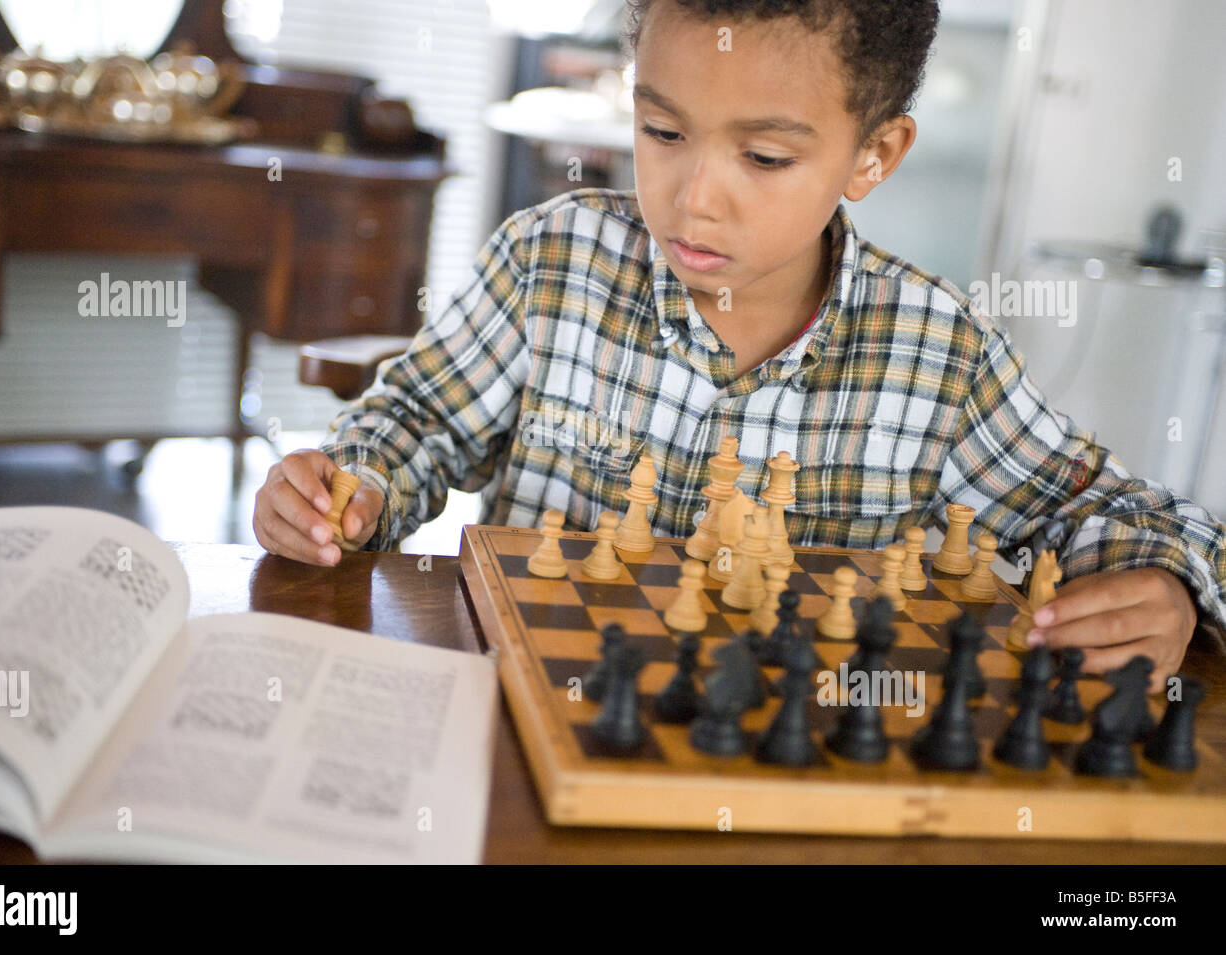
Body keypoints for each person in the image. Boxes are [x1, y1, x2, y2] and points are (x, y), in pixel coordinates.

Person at [252, 0, 1225, 689]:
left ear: (874, 155)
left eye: (762, 157)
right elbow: (415, 418)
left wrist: (1160, 581)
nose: (694, 196)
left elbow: (1113, 508)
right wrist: (351, 482)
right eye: (660, 130)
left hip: (782, 764)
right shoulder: (551, 261)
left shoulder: (935, 352)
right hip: (523, 718)